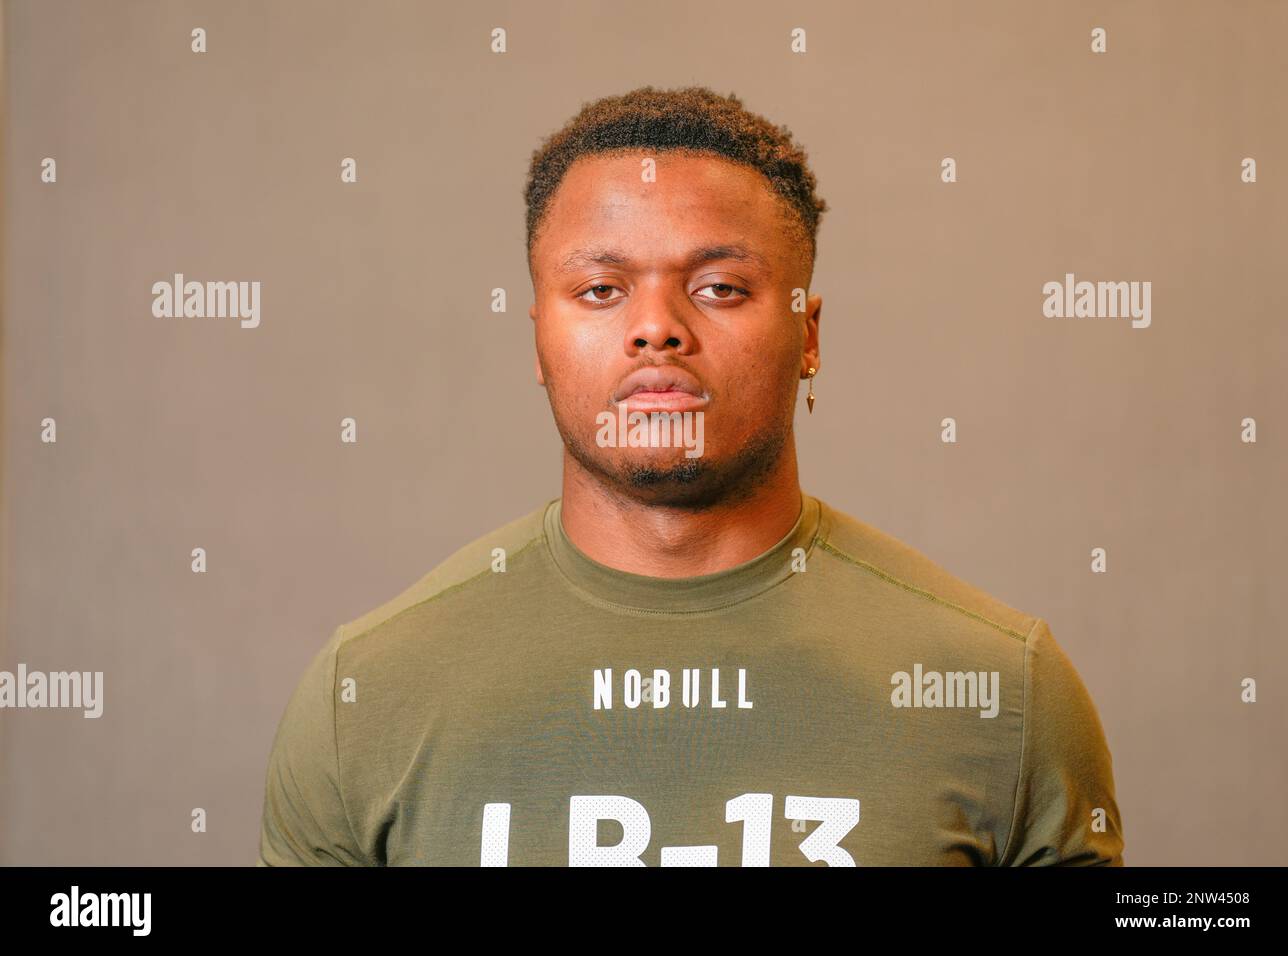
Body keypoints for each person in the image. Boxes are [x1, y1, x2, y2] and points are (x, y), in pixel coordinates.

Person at [256, 85, 1123, 866]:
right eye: (601, 290)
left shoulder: (1004, 693)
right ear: (537, 338)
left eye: (718, 287)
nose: (656, 329)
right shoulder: (366, 697)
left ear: (808, 335)